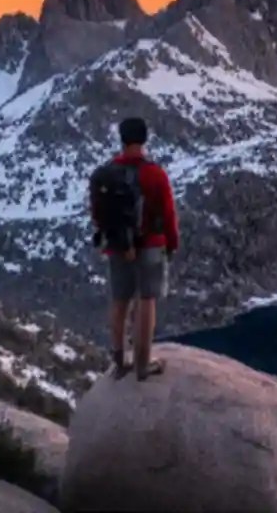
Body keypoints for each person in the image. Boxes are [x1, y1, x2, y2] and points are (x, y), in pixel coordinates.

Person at [89, 117, 178, 381]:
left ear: (122, 139)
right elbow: (169, 213)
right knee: (146, 301)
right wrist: (171, 243)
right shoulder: (155, 174)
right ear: (145, 139)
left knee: (120, 302)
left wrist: (117, 237)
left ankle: (119, 363)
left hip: (118, 246)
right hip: (150, 245)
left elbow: (96, 214)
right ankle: (143, 365)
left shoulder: (105, 174)